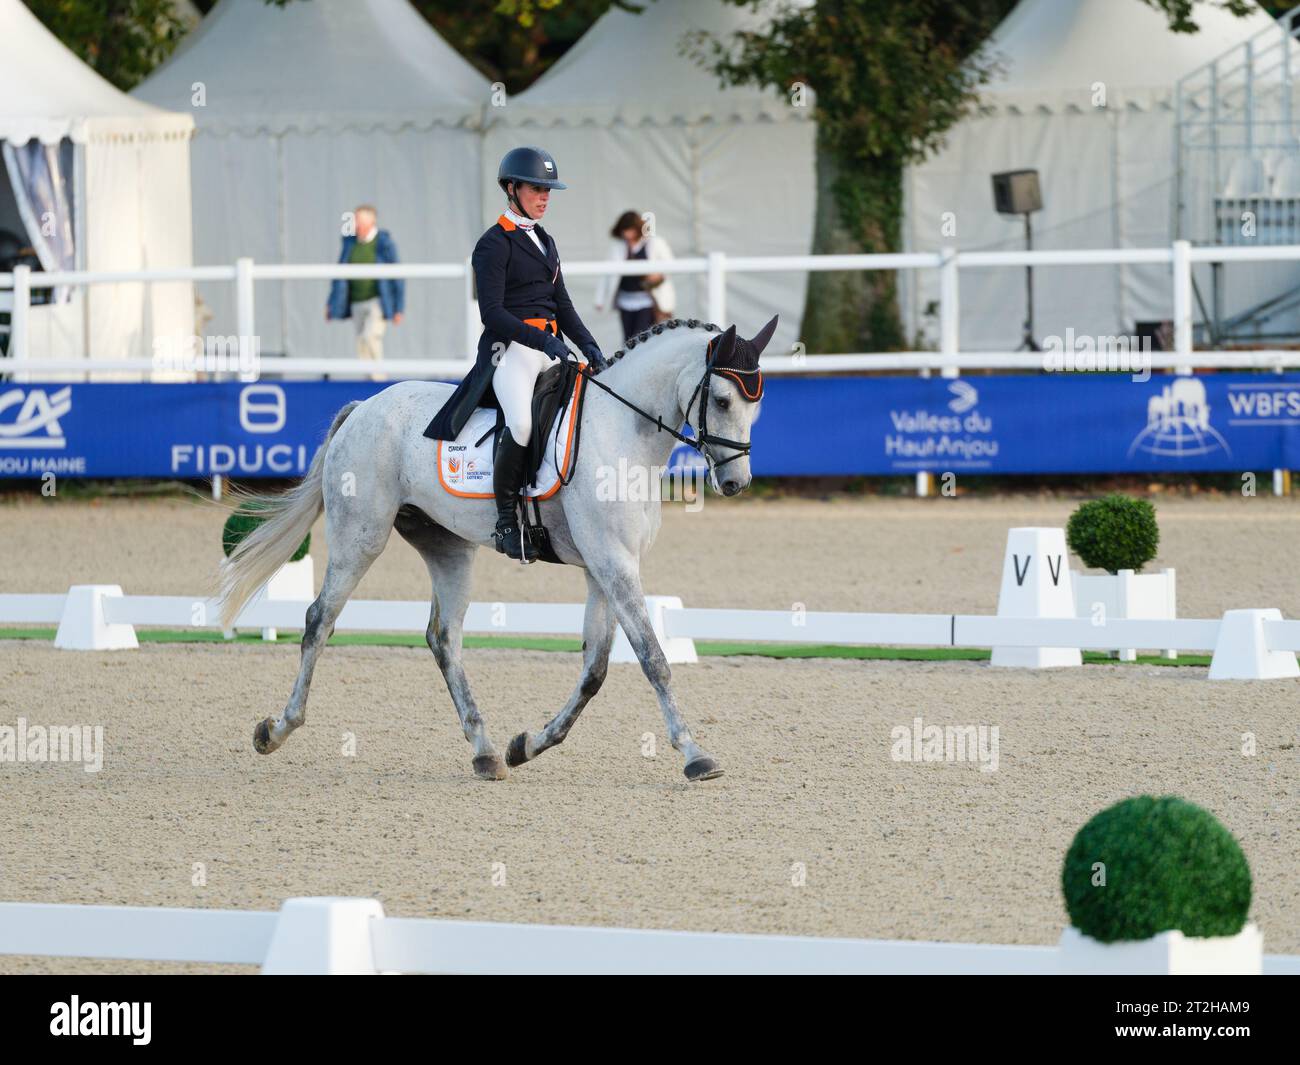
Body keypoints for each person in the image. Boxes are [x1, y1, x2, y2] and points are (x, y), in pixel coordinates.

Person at [422, 147, 607, 563]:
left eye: (548, 190)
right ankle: (506, 521)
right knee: (521, 423)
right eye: (537, 189)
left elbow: (563, 304)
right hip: (511, 351)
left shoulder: (546, 241)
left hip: (550, 347)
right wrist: (544, 342)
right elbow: (493, 314)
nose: (545, 197)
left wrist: (589, 343)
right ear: (512, 189)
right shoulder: (494, 244)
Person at [326, 204, 404, 381]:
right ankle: (368, 380)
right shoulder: (349, 243)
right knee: (361, 342)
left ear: (371, 222)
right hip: (356, 302)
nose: (356, 226)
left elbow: (398, 275)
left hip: (377, 300)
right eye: (356, 222)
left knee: (371, 337)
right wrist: (331, 303)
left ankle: (379, 379)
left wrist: (398, 308)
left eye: (360, 222)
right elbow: (339, 273)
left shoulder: (384, 243)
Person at [595, 210, 676, 342]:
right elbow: (606, 274)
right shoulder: (617, 246)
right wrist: (600, 299)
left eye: (630, 230)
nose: (627, 234)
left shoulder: (654, 243)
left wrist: (658, 276)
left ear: (638, 229)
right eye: (624, 230)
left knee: (641, 338)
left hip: (648, 300)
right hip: (625, 300)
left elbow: (670, 265)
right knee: (627, 339)